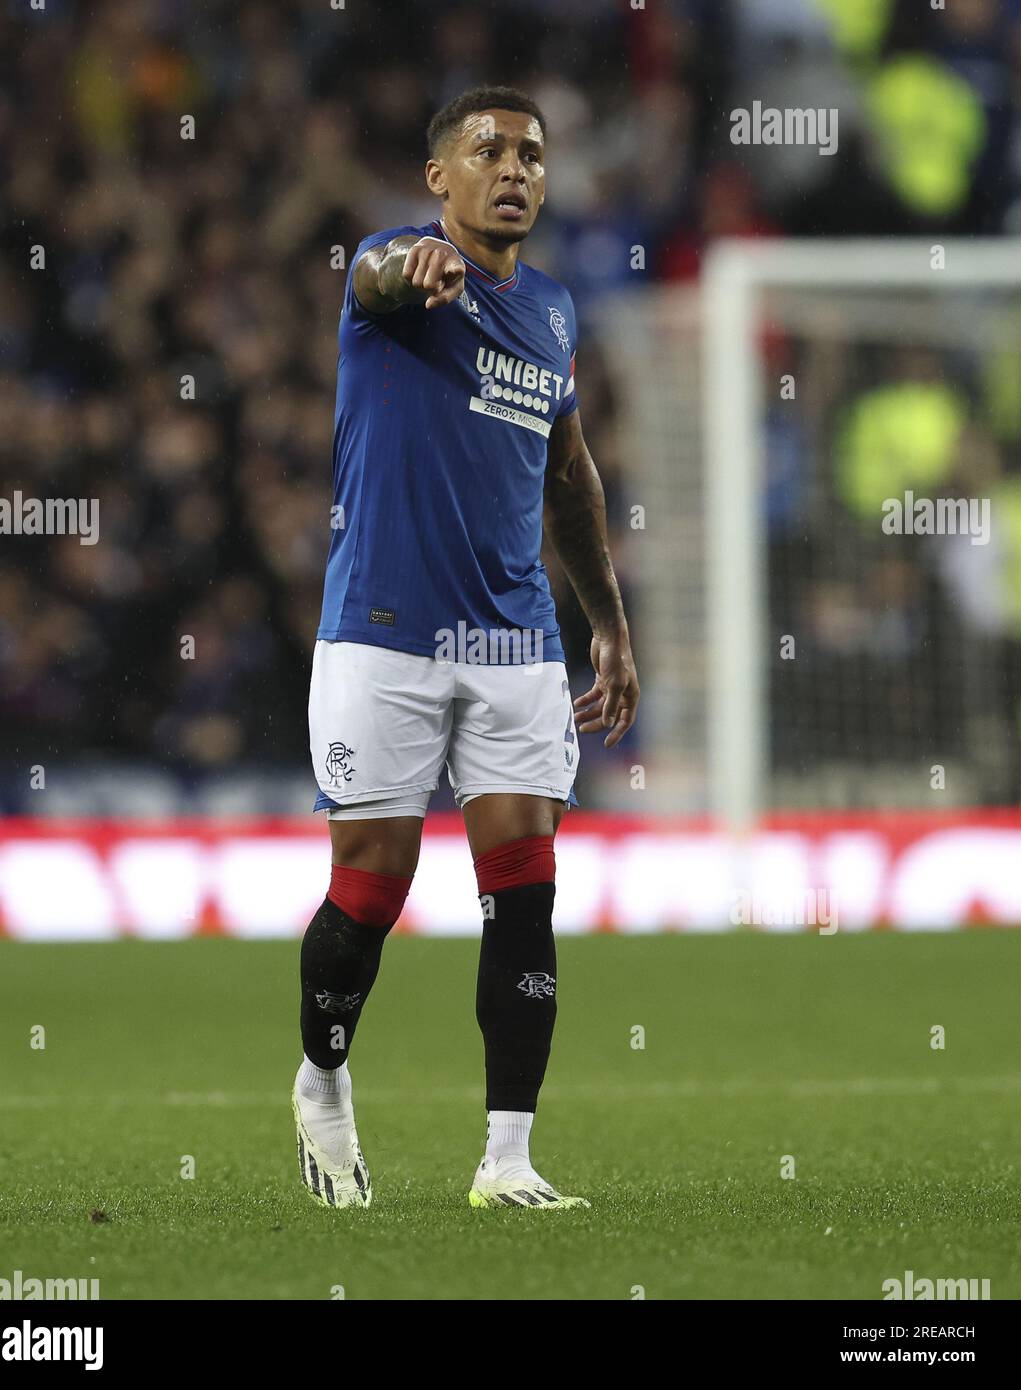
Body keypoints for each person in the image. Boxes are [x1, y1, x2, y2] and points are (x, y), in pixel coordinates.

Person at [293, 84, 639, 1210]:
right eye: (487, 150)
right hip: (380, 635)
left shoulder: (548, 312)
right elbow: (376, 279)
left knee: (523, 891)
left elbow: (567, 473)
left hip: (515, 644)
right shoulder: (391, 270)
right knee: (370, 889)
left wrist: (608, 624)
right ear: (439, 176)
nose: (515, 169)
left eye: (532, 155)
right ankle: (323, 1082)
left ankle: (506, 1158)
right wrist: (411, 274)